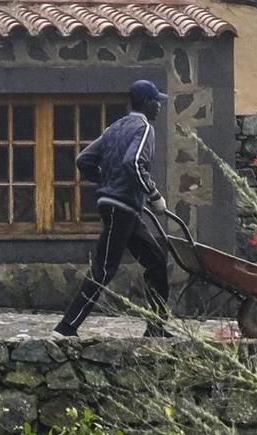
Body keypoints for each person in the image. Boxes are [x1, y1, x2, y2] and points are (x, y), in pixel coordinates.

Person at [54, 79, 172, 337]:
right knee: (104, 268)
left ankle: (155, 327)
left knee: (156, 261)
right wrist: (153, 195)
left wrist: (107, 180)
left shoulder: (114, 128)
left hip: (120, 206)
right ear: (146, 103)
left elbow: (83, 160)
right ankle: (65, 328)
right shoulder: (144, 127)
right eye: (157, 102)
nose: (159, 108)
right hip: (122, 205)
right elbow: (134, 163)